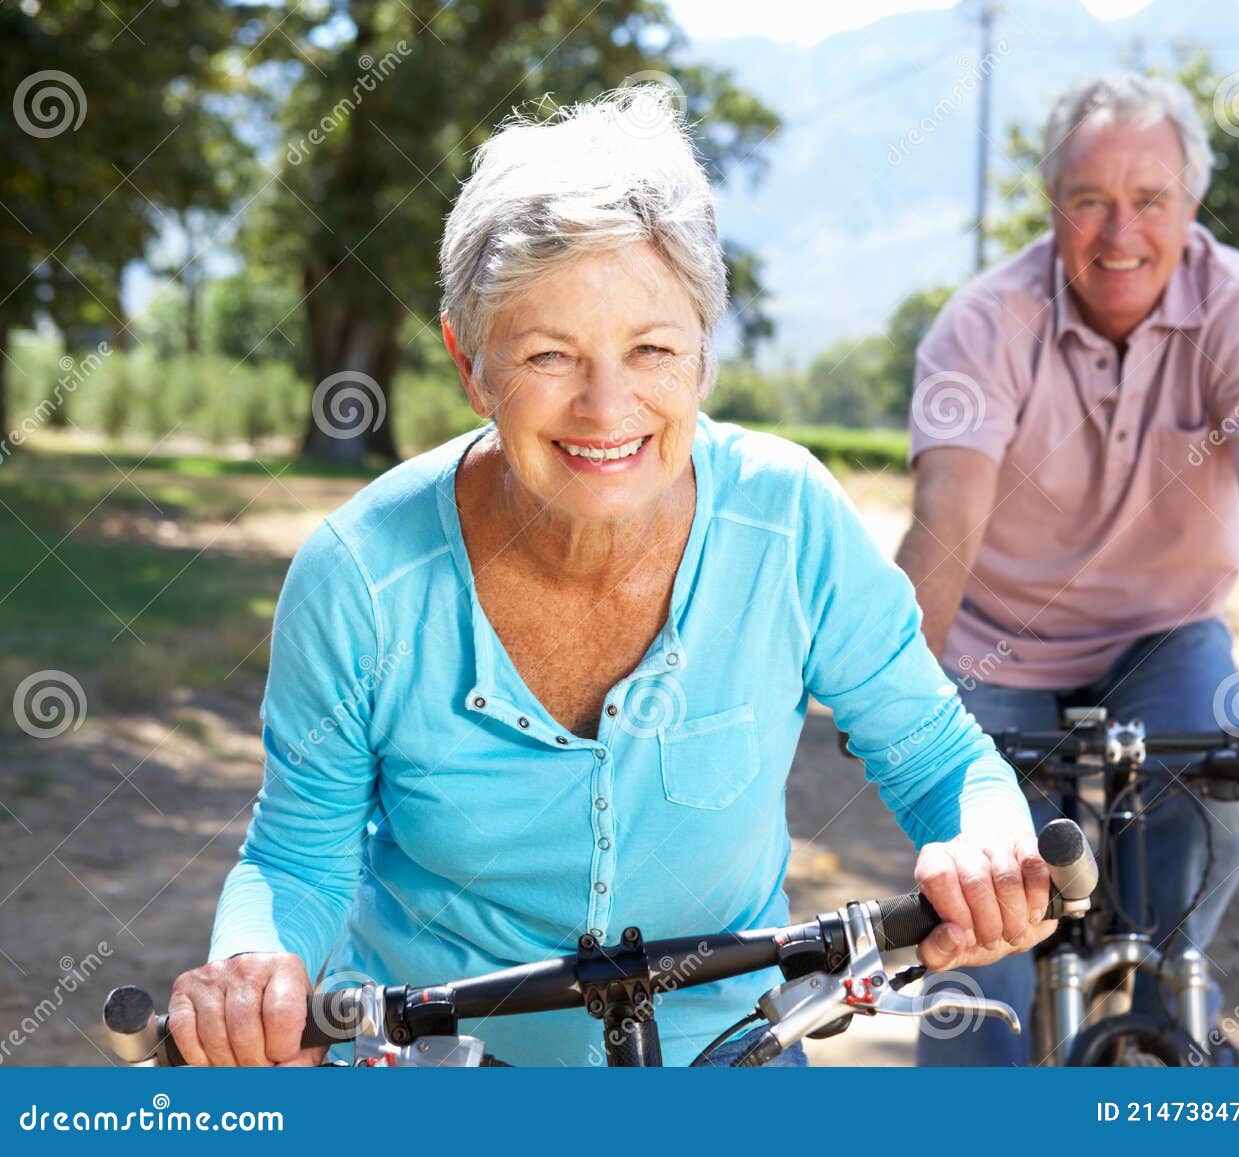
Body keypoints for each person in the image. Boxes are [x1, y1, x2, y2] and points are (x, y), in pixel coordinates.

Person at [169, 88, 1053, 1068]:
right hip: (434, 1059)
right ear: (472, 363)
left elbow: (940, 759)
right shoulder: (360, 577)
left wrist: (983, 838)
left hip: (727, 1049)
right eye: (550, 354)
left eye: (651, 350)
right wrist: (254, 962)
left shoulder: (790, 520)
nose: (606, 406)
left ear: (704, 356)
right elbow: (296, 852)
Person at [901, 73, 1239, 1066]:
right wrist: (901, 704)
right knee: (982, 940)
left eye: (1148, 201)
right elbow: (943, 524)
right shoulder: (982, 323)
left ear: (1191, 208)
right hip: (996, 645)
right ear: (1052, 208)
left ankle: (1161, 1007)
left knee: (1216, 785)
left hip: (1162, 635)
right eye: (1089, 200)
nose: (1117, 231)